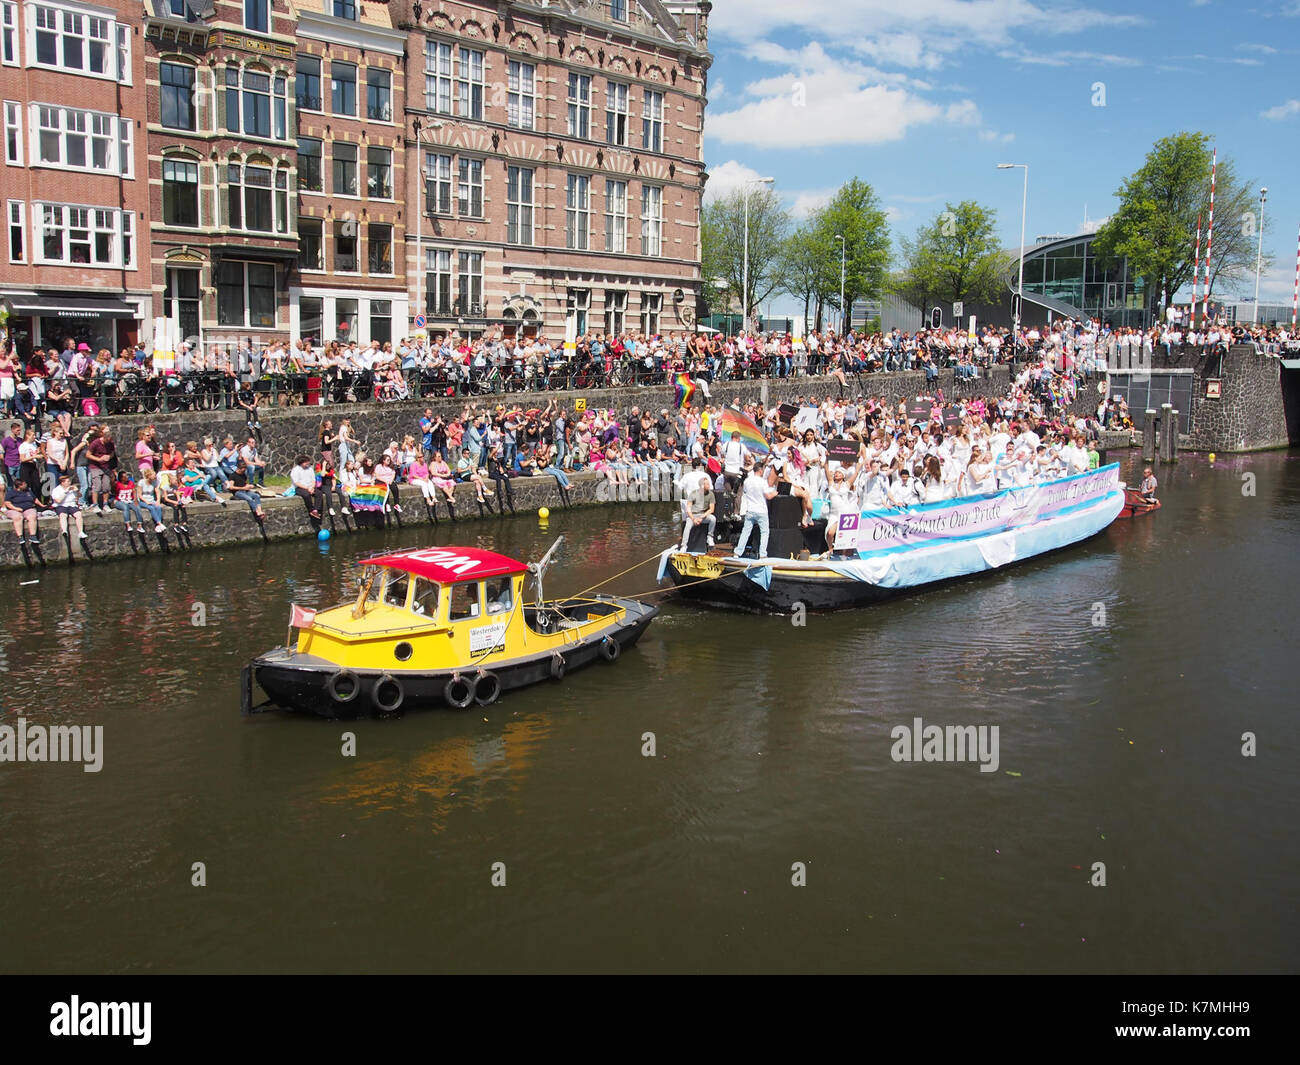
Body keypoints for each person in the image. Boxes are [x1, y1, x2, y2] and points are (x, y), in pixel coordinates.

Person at [732, 457, 777, 560]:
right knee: (765, 532)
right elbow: (768, 496)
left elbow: (746, 492)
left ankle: (738, 552)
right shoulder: (762, 482)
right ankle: (763, 554)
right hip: (761, 511)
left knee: (746, 531)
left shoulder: (747, 481)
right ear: (760, 470)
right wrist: (775, 493)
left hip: (751, 510)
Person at [290, 454, 321, 520]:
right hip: (300, 488)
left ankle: (316, 510)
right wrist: (307, 488)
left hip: (310, 487)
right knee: (306, 495)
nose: (308, 463)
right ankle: (311, 510)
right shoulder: (295, 470)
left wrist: (312, 487)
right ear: (302, 463)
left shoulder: (310, 469)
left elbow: (313, 480)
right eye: (306, 462)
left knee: (319, 493)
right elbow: (297, 483)